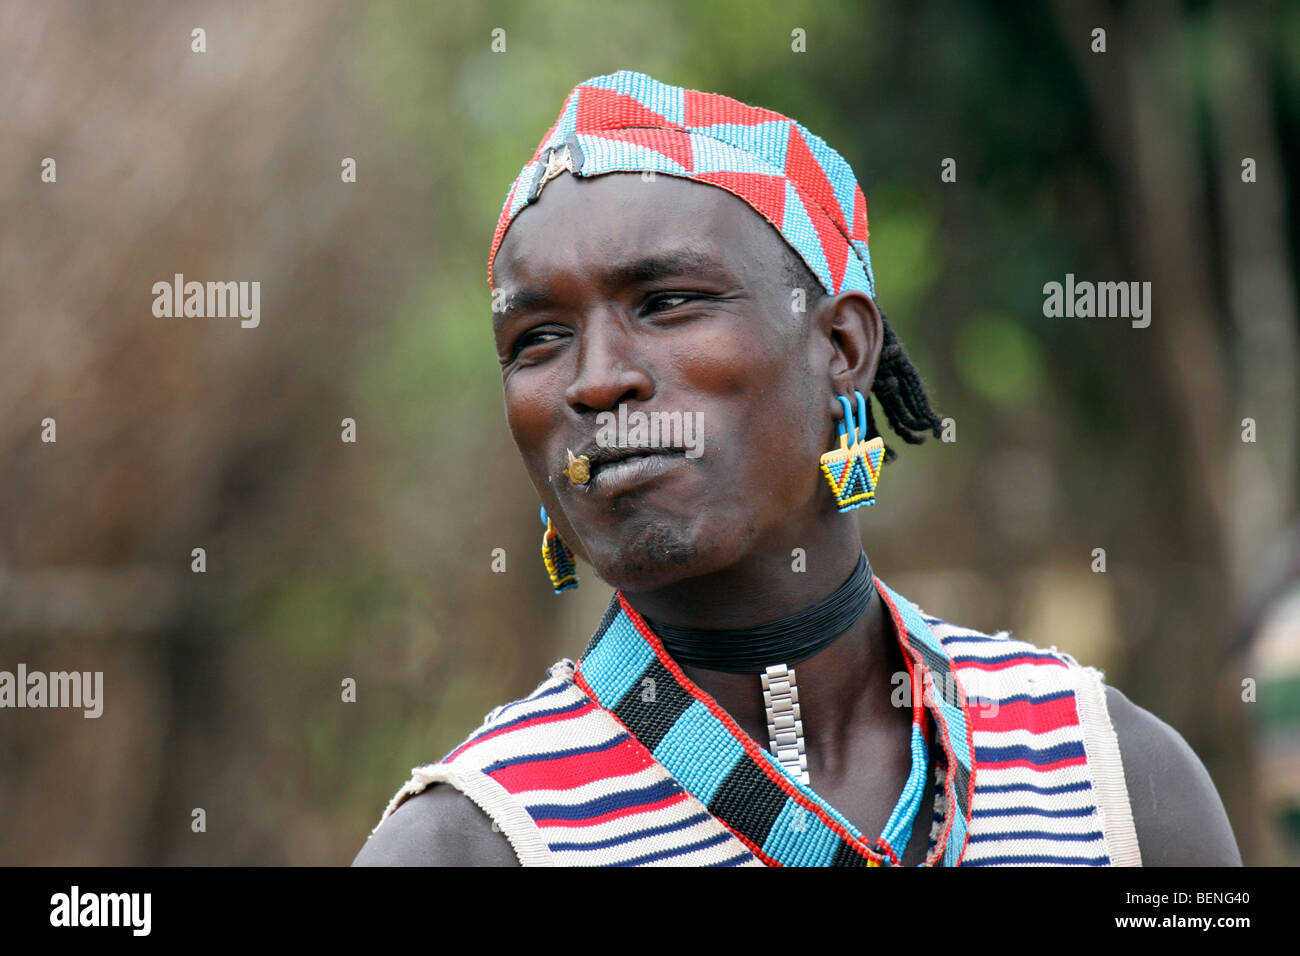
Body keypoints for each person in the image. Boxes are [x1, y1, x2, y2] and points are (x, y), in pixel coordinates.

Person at [353, 70, 1241, 867]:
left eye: (667, 303)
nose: (596, 381)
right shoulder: (476, 843)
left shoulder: (1114, 786)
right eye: (538, 339)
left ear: (842, 348)